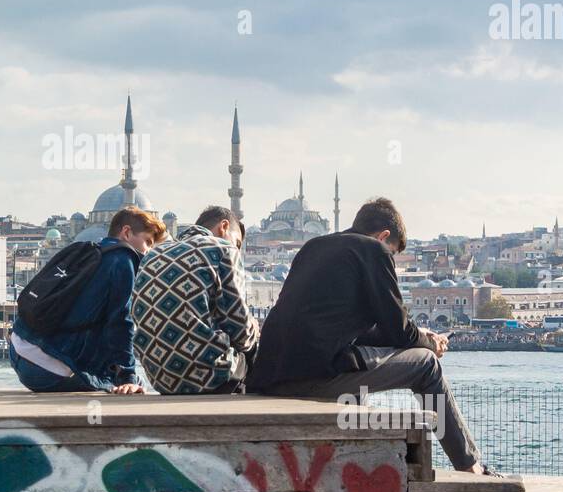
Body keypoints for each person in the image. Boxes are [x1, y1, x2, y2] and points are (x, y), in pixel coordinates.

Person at [247, 197, 498, 474]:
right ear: (384, 236)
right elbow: (399, 330)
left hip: (268, 378)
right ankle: (469, 465)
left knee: (358, 373)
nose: (389, 257)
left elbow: (346, 327)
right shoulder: (374, 250)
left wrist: (419, 333)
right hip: (310, 380)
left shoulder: (313, 247)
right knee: (427, 365)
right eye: (392, 252)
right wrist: (430, 342)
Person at [10, 206, 166, 394]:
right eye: (147, 242)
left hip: (17, 351)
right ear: (126, 232)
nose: (148, 251)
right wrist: (128, 377)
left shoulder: (90, 251)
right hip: (47, 372)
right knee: (134, 383)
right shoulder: (123, 259)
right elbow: (121, 322)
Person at [131, 205, 259, 394]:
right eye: (237, 243)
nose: (237, 250)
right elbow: (238, 327)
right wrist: (254, 331)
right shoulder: (223, 249)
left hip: (161, 380)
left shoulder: (153, 254)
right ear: (223, 227)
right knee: (253, 349)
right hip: (211, 375)